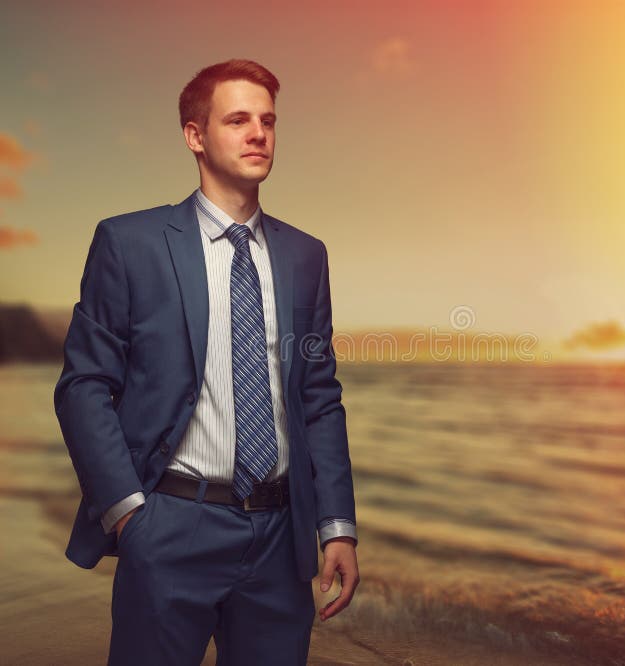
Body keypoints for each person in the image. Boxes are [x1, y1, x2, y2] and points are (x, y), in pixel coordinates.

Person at [53, 58, 359, 665]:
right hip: (170, 525)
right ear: (195, 136)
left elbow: (319, 396)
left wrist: (337, 525)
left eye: (268, 121)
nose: (258, 134)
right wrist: (128, 516)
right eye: (238, 119)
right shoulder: (130, 243)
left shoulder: (306, 256)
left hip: (278, 539)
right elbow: (84, 386)